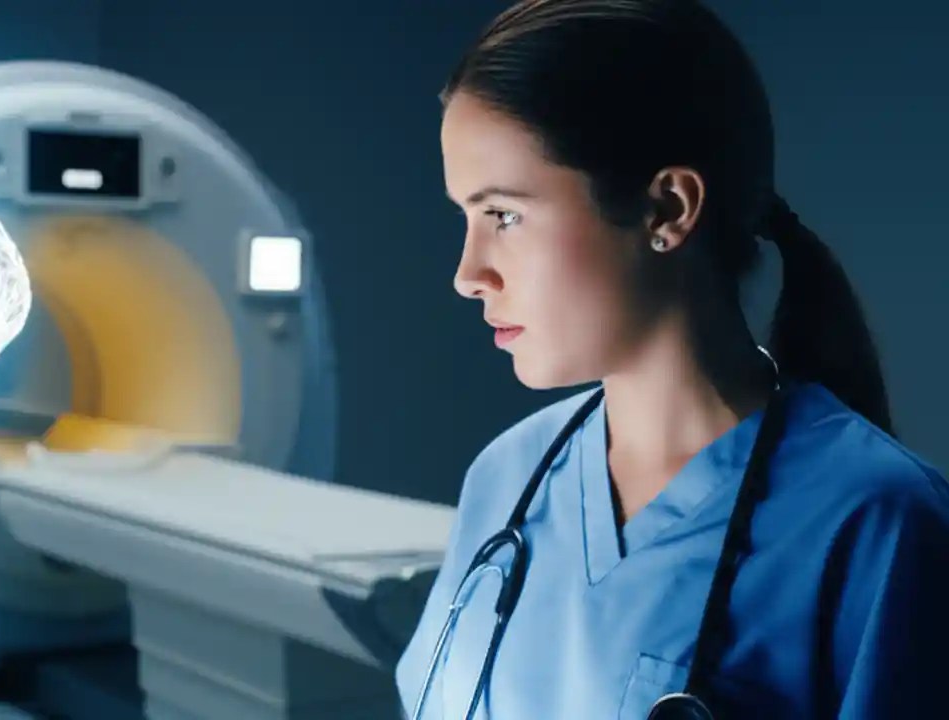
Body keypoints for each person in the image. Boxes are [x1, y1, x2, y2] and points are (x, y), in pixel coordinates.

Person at [394, 1, 949, 718]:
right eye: (465, 218)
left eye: (504, 215)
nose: (469, 272)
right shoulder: (509, 477)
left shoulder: (877, 524)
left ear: (667, 209)